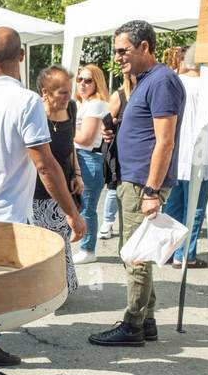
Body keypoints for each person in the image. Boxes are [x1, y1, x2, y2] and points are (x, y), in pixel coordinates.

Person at [0, 28, 86, 375]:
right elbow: (44, 164)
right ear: (22, 57)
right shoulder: (27, 101)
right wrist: (72, 213)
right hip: (9, 215)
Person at [89, 20, 184, 347]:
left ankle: (132, 324)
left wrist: (151, 190)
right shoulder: (146, 81)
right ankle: (147, 322)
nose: (117, 57)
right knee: (136, 250)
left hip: (143, 183)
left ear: (145, 47)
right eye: (116, 51)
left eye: (123, 50)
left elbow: (165, 141)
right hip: (134, 180)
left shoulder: (162, 81)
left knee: (134, 254)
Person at [164, 47, 208, 269]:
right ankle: (185, 254)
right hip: (200, 153)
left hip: (175, 153)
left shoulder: (173, 82)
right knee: (194, 208)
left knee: (173, 206)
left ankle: (170, 250)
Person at [33, 66, 82, 295]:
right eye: (62, 92)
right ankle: (44, 291)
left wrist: (77, 173)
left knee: (61, 239)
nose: (68, 97)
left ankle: (60, 289)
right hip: (39, 188)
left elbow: (70, 144)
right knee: (44, 243)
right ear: (45, 92)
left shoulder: (71, 108)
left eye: (69, 91)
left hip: (64, 184)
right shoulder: (35, 114)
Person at [72, 64, 111, 264]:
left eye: (88, 80)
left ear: (97, 82)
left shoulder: (96, 104)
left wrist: (61, 129)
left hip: (88, 158)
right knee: (79, 206)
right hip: (81, 158)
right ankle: (84, 247)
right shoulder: (82, 103)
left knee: (87, 208)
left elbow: (86, 139)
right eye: (79, 79)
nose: (82, 84)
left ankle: (88, 249)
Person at [98, 77, 129, 239]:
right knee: (113, 187)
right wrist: (110, 128)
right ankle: (108, 222)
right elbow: (107, 121)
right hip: (118, 150)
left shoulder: (145, 93)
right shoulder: (120, 95)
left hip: (137, 152)